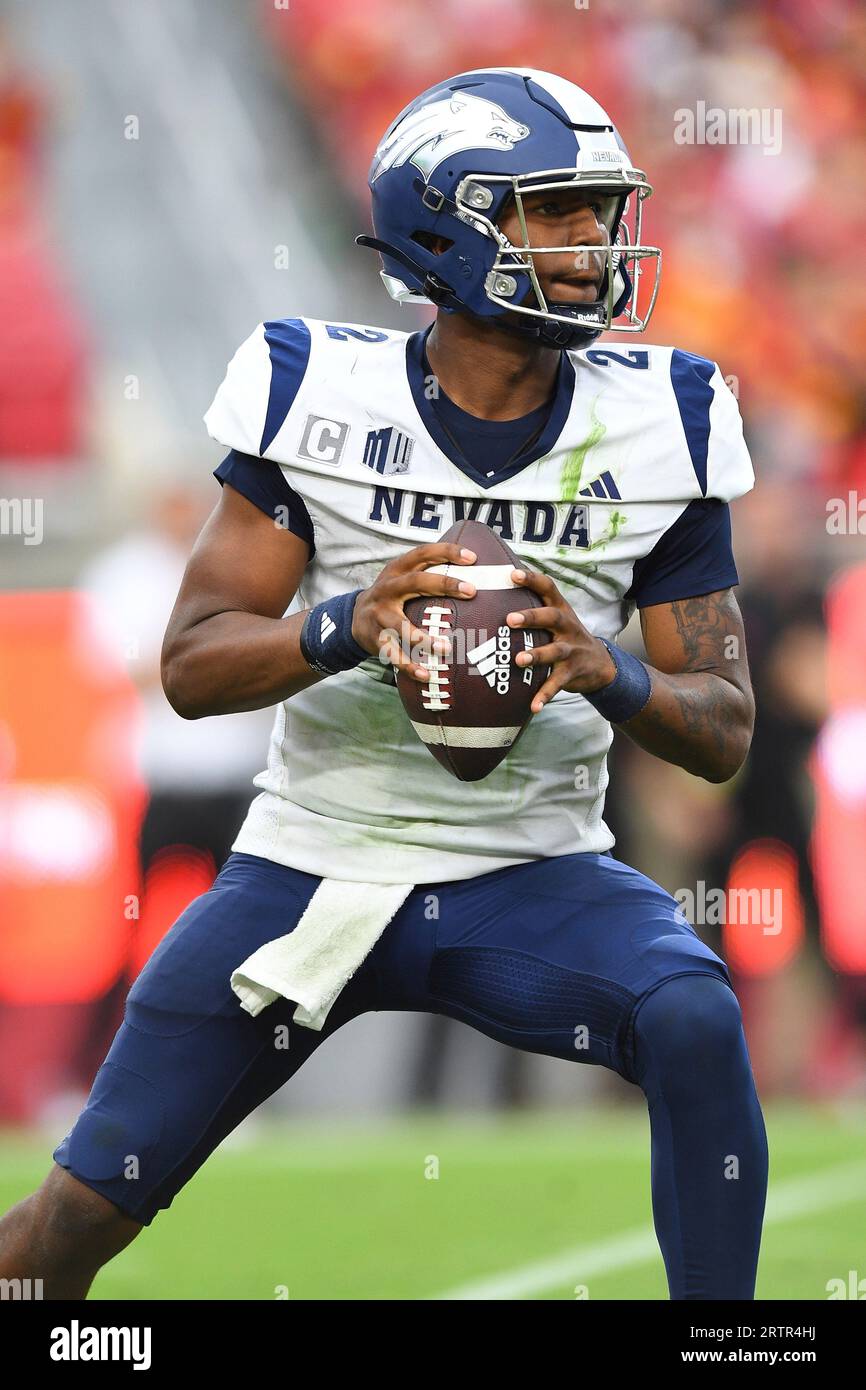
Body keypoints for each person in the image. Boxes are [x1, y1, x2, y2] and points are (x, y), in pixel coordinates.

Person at [0, 67, 767, 1300]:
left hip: (535, 867)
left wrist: (599, 668)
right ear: (445, 223)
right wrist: (347, 625)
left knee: (690, 1013)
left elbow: (721, 730)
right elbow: (192, 664)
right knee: (73, 1223)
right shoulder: (321, 392)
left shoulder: (660, 422)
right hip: (309, 859)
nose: (593, 242)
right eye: (553, 212)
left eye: (597, 211)